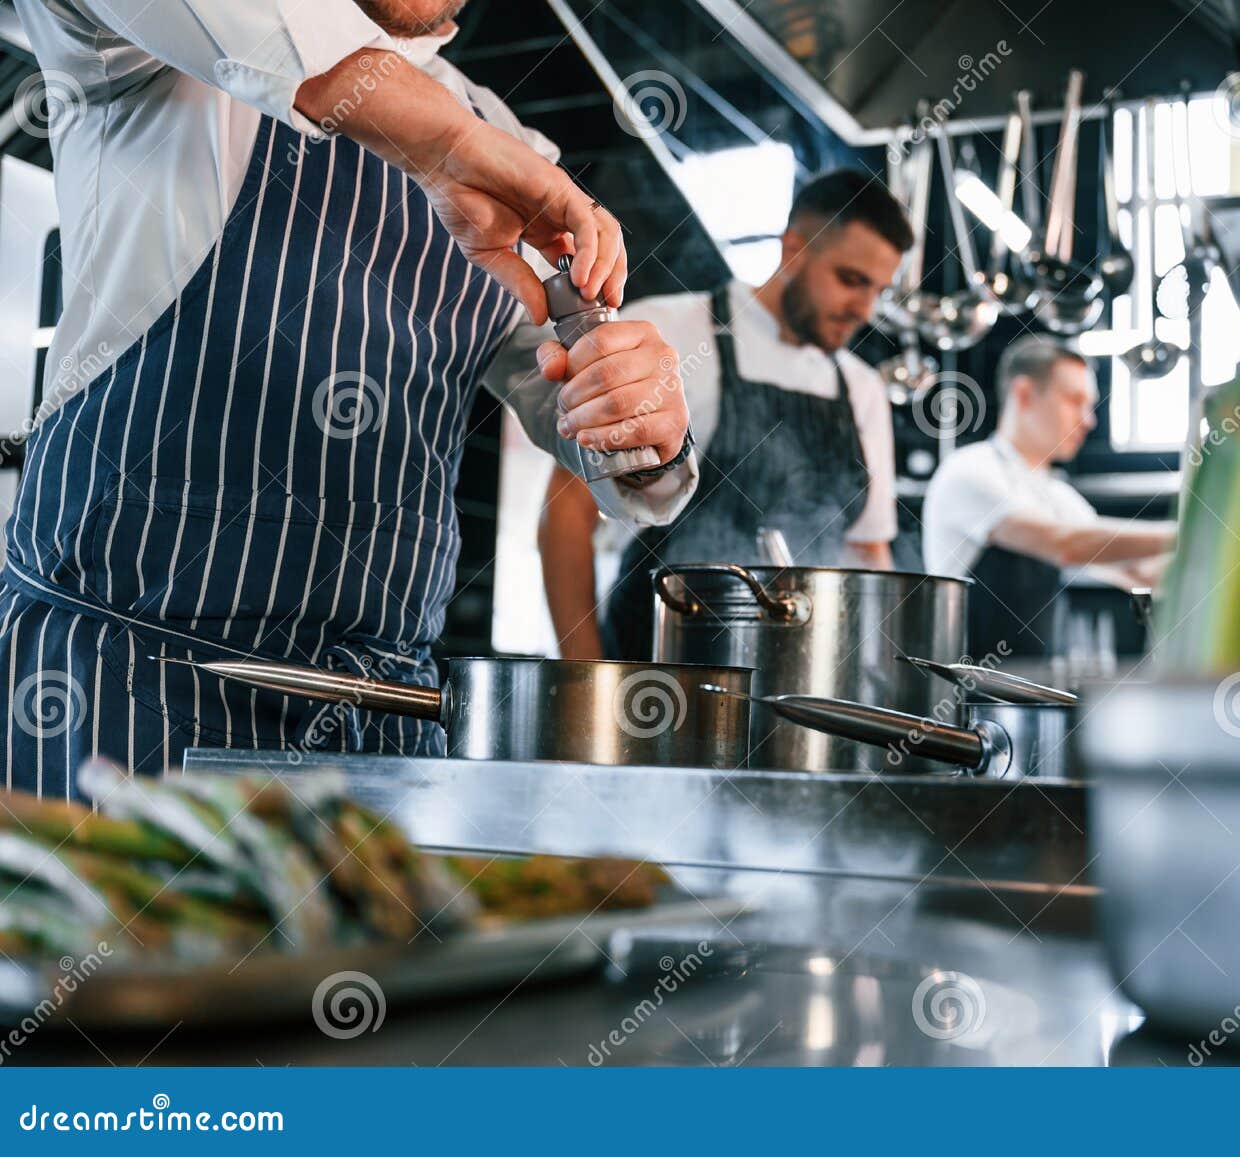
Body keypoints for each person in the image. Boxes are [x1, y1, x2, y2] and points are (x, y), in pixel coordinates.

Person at [0, 0, 695, 796]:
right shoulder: (160, 52)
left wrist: (643, 431)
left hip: (381, 719)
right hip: (118, 689)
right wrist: (445, 149)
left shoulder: (516, 144)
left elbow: (577, 413)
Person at [540, 170, 913, 661]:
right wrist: (586, 678)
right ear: (794, 250)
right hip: (657, 674)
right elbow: (567, 511)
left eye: (879, 291)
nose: (863, 309)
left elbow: (867, 551)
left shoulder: (863, 388)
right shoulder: (667, 331)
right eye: (850, 280)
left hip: (803, 684)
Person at [921, 338, 1174, 656]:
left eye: (1090, 406)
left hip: (1028, 689)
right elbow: (1065, 544)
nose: (1088, 421)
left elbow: (1139, 573)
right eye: (1074, 401)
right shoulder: (969, 470)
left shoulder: (1055, 493)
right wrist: (1191, 534)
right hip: (963, 691)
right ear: (1024, 393)